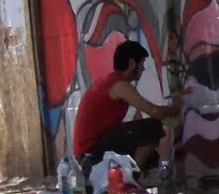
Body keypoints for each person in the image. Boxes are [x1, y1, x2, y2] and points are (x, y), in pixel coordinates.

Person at [73, 40, 181, 180]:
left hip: (91, 150)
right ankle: (129, 183)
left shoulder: (109, 81)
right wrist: (177, 106)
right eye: (142, 64)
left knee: (152, 156)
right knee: (151, 127)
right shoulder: (120, 86)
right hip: (90, 154)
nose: (143, 69)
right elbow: (155, 112)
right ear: (132, 64)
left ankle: (126, 181)